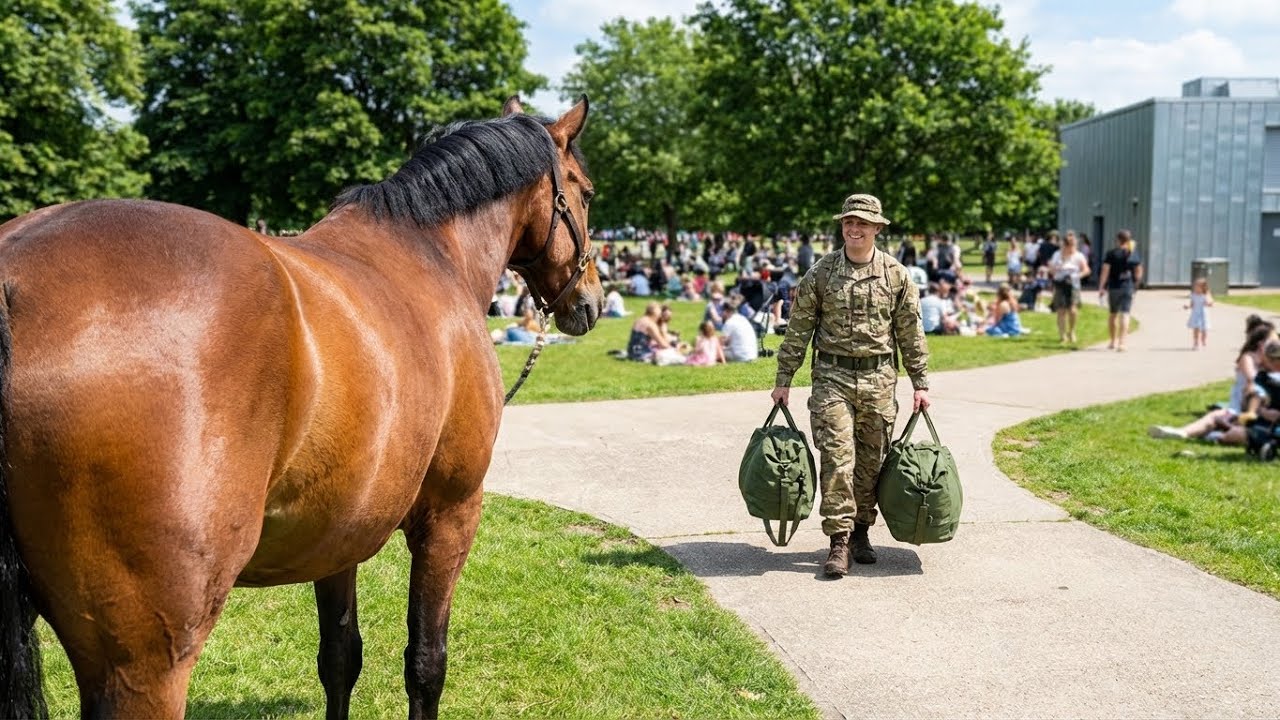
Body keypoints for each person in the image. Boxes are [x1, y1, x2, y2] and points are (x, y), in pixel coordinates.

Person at [770, 193, 929, 577]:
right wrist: (784, 379)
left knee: (871, 464)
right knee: (838, 459)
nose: (854, 229)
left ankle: (861, 532)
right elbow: (799, 328)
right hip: (832, 380)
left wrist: (920, 382)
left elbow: (910, 332)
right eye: (848, 223)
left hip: (879, 380)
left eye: (862, 223)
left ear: (877, 228)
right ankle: (838, 541)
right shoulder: (822, 274)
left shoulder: (895, 275)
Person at [1097, 229, 1143, 351]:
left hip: (1114, 287)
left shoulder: (1111, 253)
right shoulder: (1133, 253)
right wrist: (1135, 284)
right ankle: (1122, 343)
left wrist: (1101, 287)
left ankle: (1112, 341)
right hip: (1128, 286)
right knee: (1125, 314)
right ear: (1129, 240)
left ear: (1117, 240)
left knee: (1113, 314)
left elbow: (1105, 271)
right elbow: (1139, 271)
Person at [1048, 232, 1090, 344]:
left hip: (1073, 285)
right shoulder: (1057, 254)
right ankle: (1062, 336)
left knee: (1072, 310)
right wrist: (1056, 268)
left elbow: (1086, 270)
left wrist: (1077, 276)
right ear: (1065, 245)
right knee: (1061, 311)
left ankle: (1072, 331)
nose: (1072, 248)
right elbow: (1051, 269)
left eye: (1074, 245)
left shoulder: (1078, 255)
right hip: (1060, 284)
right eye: (1069, 246)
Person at [722, 293, 759, 363]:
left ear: (726, 311)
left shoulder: (729, 322)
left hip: (741, 357)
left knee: (715, 350)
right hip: (753, 355)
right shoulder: (742, 319)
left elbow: (723, 343)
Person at [1186, 277, 1214, 350]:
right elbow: (1192, 304)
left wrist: (1208, 303)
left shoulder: (1206, 295)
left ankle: (1203, 339)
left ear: (1203, 288)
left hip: (1203, 315)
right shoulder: (1193, 295)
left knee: (1204, 330)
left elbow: (1211, 303)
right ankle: (1196, 343)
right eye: (1195, 286)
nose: (1196, 288)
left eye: (1198, 286)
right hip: (1195, 314)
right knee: (1196, 329)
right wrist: (1188, 306)